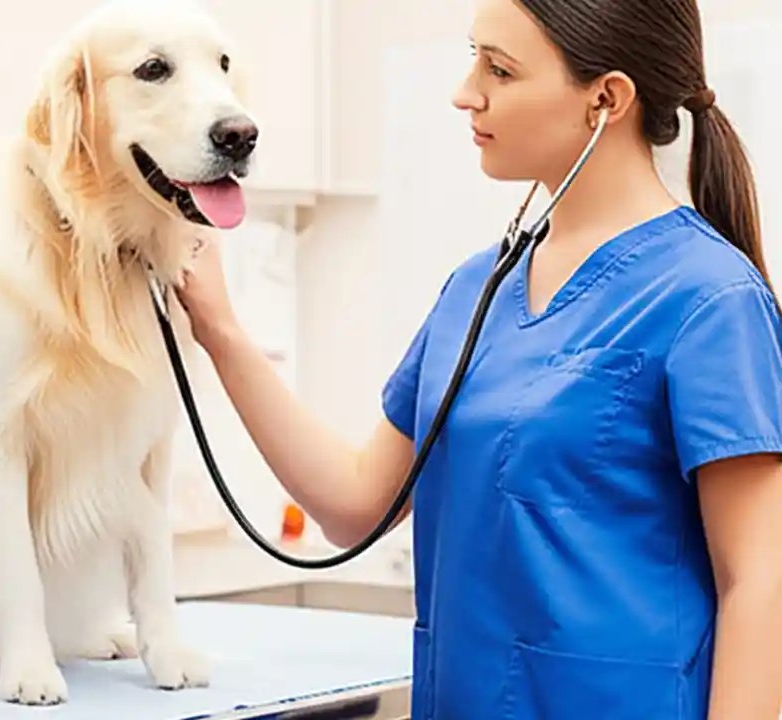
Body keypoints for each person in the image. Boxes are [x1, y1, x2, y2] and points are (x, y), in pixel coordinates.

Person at [175, 0, 782, 718]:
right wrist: (220, 331)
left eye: (499, 69)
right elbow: (355, 504)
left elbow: (761, 579)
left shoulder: (709, 298)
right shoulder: (477, 289)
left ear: (607, 99)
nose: (467, 91)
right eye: (474, 59)